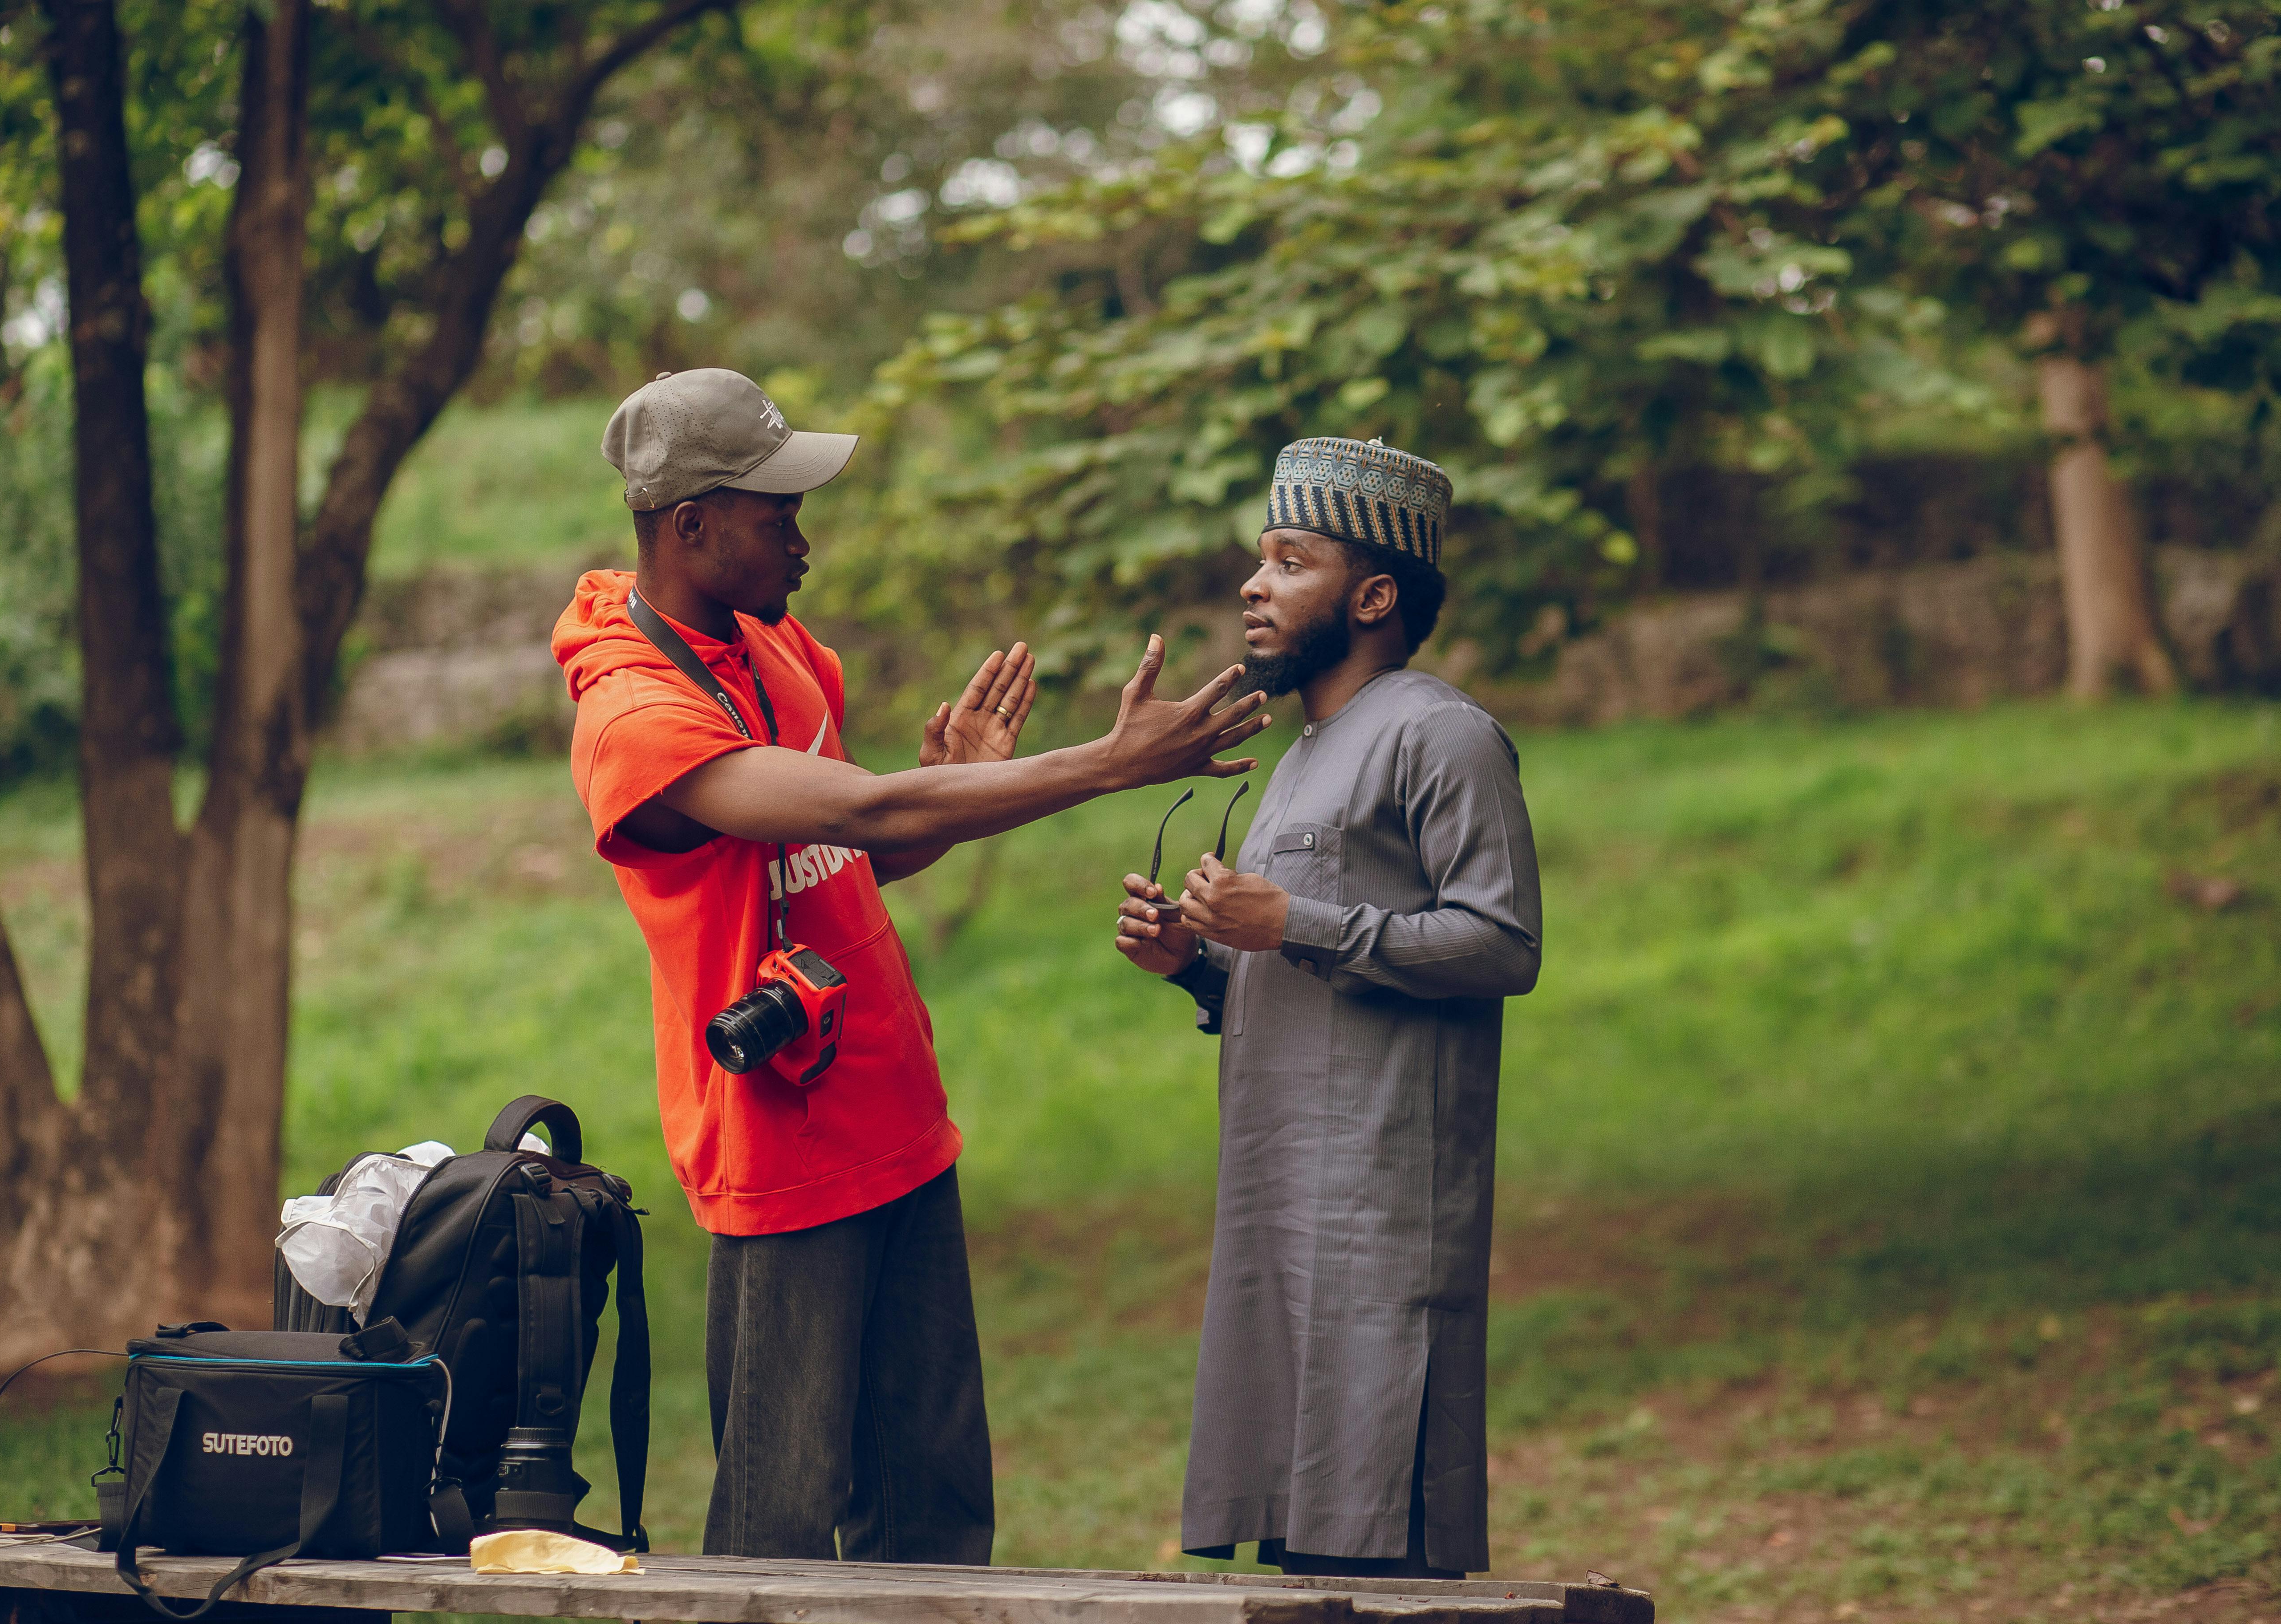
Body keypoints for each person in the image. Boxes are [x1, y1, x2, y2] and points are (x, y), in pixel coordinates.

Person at [552, 367, 1269, 1566]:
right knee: (776, 1530)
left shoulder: (776, 647)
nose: (803, 537)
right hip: (784, 1151)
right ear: (691, 526)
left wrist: (957, 792)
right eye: (777, 511)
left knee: (934, 1513)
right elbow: (873, 808)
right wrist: (1107, 763)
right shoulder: (635, 718)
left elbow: (858, 851)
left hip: (897, 1119)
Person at [1114, 436, 1542, 1579]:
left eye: (1288, 561)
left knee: (1381, 1552)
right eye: (1259, 561)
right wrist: (1199, 968)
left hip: (1380, 1215)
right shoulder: (1301, 753)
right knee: (1306, 1560)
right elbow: (1300, 966)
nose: (1255, 585)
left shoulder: (1440, 733)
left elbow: (1503, 944)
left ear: (1374, 593)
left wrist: (1291, 921)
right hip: (1278, 1208)